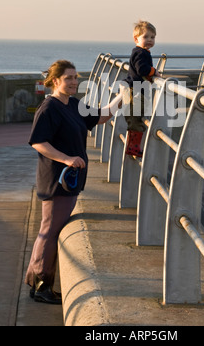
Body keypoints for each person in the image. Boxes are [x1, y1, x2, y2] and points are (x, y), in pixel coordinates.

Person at [25, 59, 121, 304]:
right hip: (56, 180)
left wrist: (123, 96)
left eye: (76, 77)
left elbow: (102, 117)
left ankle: (37, 283)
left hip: (68, 180)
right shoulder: (49, 108)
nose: (74, 82)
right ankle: (41, 286)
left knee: (49, 230)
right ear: (55, 81)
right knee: (50, 231)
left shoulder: (74, 104)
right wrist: (66, 158)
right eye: (68, 78)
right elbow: (38, 141)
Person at [123, 20, 161, 157]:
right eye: (146, 37)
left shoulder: (139, 51)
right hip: (136, 91)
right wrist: (154, 72)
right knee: (136, 120)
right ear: (136, 39)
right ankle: (133, 147)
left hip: (133, 89)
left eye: (152, 37)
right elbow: (141, 69)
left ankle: (132, 146)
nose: (150, 40)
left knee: (134, 118)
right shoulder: (141, 53)